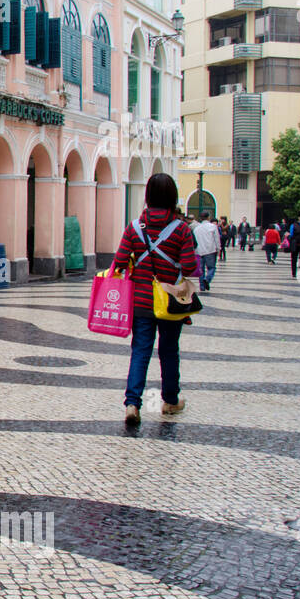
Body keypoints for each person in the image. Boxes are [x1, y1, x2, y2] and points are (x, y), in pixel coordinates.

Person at [112, 173, 198, 426]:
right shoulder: (181, 229)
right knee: (169, 351)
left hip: (140, 302)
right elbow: (191, 266)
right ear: (172, 196)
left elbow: (118, 262)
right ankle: (170, 401)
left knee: (140, 350)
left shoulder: (135, 227)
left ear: (148, 195)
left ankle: (132, 403)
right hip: (170, 302)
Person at [192, 212, 220, 292]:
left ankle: (202, 286)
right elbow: (217, 239)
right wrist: (218, 249)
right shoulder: (213, 227)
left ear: (200, 218)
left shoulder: (196, 228)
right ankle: (207, 280)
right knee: (211, 268)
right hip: (210, 250)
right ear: (208, 217)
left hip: (199, 251)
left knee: (201, 270)